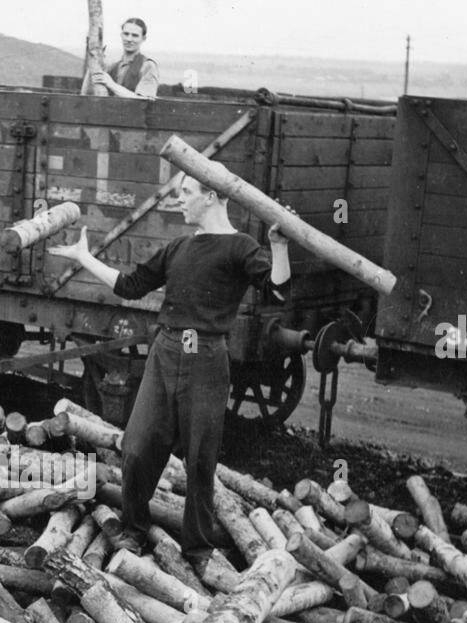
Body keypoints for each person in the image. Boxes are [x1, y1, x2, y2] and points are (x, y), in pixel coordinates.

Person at [49, 176, 292, 561]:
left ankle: (197, 547)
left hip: (206, 356)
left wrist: (279, 246)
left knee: (200, 457)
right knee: (137, 446)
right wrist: (84, 258)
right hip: (164, 350)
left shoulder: (241, 247)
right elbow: (130, 286)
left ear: (211, 197)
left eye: (186, 194)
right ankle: (133, 529)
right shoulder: (179, 247)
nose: (179, 201)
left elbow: (277, 291)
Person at [86, 18, 159, 98]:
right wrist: (93, 61)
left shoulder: (148, 66)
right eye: (126, 34)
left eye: (135, 35)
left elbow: (144, 102)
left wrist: (111, 84)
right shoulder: (112, 66)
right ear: (121, 35)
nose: (129, 39)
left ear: (143, 38)